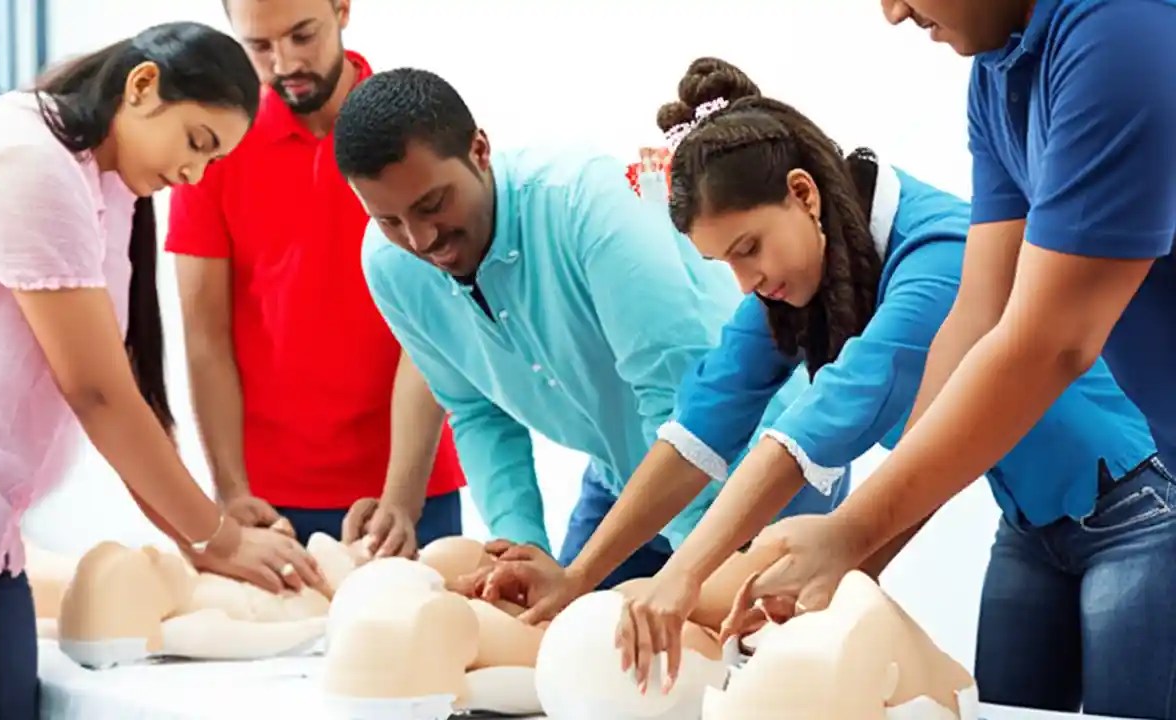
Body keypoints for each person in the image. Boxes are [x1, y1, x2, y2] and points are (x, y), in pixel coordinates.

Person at [495, 57, 1160, 709]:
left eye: (749, 248)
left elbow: (823, 420)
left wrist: (680, 576)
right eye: (723, 262)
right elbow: (701, 421)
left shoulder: (940, 258)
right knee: (999, 708)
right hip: (1029, 528)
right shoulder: (795, 286)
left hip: (1140, 514)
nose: (745, 281)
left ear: (803, 193)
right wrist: (580, 575)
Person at [735, 2, 1176, 717]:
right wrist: (859, 561)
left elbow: (1051, 341)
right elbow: (978, 318)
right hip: (1040, 519)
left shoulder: (1118, 33)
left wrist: (853, 530)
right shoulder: (997, 79)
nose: (893, 13)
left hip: (1138, 499)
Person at [0, 22, 326, 719]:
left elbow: (125, 379)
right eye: (196, 144)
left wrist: (206, 519)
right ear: (143, 86)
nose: (195, 175)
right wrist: (212, 539)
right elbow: (96, 393)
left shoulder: (104, 179)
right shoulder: (25, 163)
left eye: (213, 163)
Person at [331, 67, 839, 589]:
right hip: (620, 478)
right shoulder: (391, 267)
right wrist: (518, 549)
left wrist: (692, 576)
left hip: (760, 463)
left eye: (432, 204)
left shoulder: (588, 203)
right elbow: (476, 412)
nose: (420, 240)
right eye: (388, 220)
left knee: (749, 655)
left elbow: (682, 405)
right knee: (555, 636)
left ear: (480, 150)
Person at [167, 0, 466, 559]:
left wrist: (401, 496)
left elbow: (428, 327)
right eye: (259, 47)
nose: (284, 63)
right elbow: (204, 335)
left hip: (409, 483)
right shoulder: (214, 147)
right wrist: (231, 492)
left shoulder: (410, 129)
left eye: (302, 35)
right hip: (269, 498)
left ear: (342, 9)